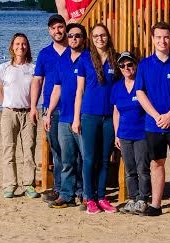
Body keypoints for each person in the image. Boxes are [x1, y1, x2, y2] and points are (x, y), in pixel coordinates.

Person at [134, 21, 170, 216]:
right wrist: (157, 115)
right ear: (152, 39)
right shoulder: (144, 64)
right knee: (156, 163)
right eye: (158, 37)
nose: (162, 41)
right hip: (154, 123)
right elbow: (140, 93)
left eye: (166, 37)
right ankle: (156, 205)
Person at [71, 23, 119, 214]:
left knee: (105, 160)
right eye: (96, 36)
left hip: (108, 117)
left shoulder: (116, 59)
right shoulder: (84, 59)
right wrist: (76, 119)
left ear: (108, 37)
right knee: (89, 159)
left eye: (103, 35)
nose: (100, 38)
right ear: (91, 38)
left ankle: (102, 196)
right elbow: (79, 91)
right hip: (89, 115)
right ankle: (89, 198)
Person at [45, 22, 86, 208]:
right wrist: (49, 112)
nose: (73, 39)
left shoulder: (89, 58)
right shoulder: (62, 60)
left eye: (77, 36)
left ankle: (86, 194)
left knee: (85, 158)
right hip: (63, 117)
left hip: (84, 116)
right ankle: (66, 194)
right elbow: (56, 88)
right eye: (70, 36)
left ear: (83, 39)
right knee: (67, 159)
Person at [30, 14, 68, 202]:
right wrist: (33, 107)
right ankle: (59, 189)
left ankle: (76, 189)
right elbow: (38, 81)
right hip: (51, 110)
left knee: (74, 151)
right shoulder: (45, 54)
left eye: (60, 27)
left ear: (65, 27)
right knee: (57, 150)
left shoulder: (74, 50)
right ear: (49, 31)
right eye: (53, 28)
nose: (57, 31)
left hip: (72, 108)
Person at [0, 33, 38, 198]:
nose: (21, 47)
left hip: (28, 113)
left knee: (29, 149)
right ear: (12, 47)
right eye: (17, 44)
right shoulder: (4, 67)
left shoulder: (33, 68)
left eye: (24, 44)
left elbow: (37, 88)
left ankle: (28, 184)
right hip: (9, 113)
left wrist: (33, 107)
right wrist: (6, 104)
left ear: (28, 47)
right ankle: (9, 185)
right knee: (9, 149)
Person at [111, 50, 150, 214]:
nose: (126, 68)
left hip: (141, 133)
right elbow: (116, 112)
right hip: (124, 134)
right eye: (122, 65)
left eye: (129, 64)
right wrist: (116, 134)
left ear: (135, 65)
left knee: (142, 168)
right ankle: (132, 198)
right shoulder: (117, 87)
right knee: (130, 169)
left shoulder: (142, 84)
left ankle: (143, 199)